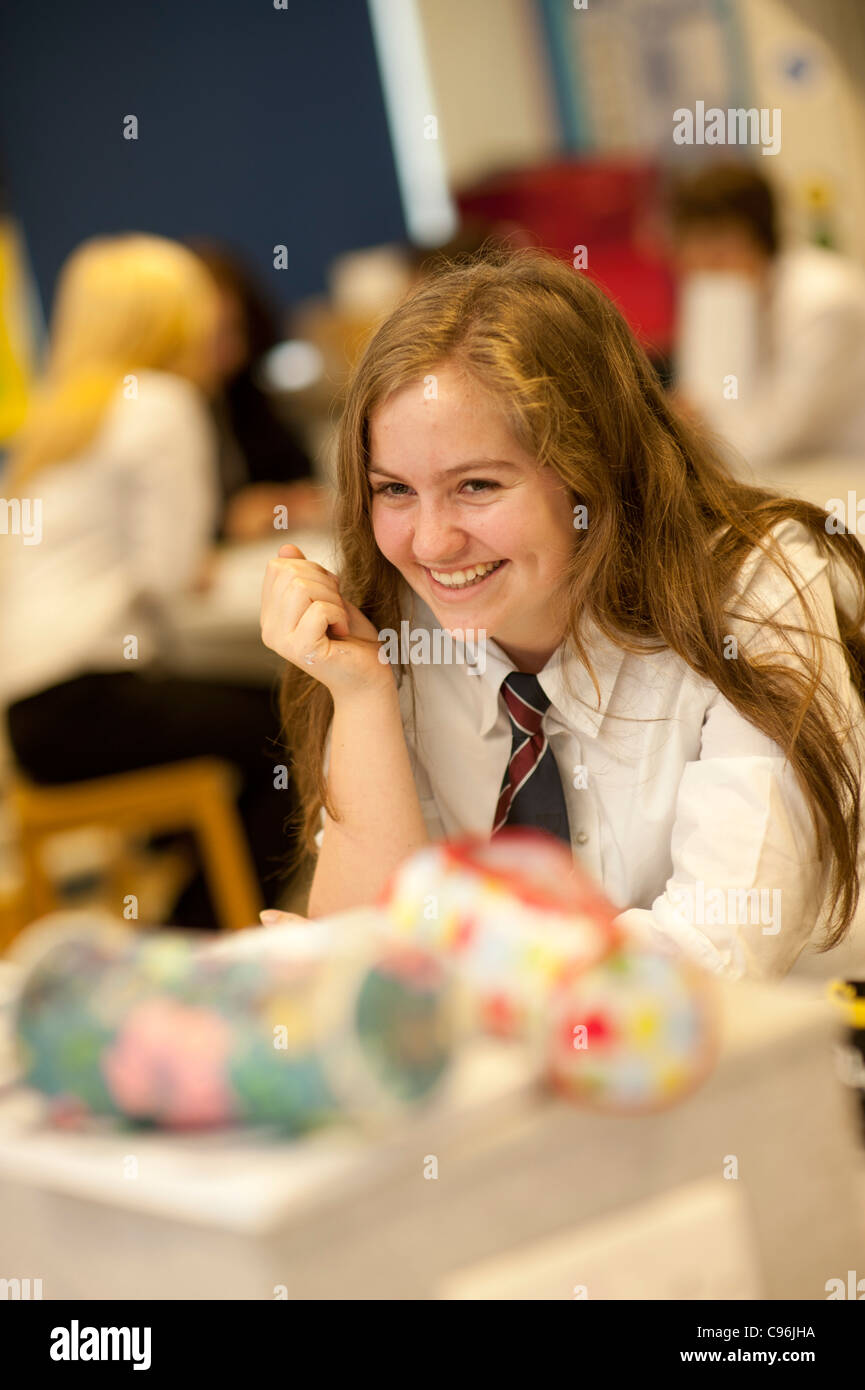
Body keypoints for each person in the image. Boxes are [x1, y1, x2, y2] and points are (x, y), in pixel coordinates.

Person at [258, 247, 865, 984]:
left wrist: (438, 970)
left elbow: (713, 955)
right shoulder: (392, 623)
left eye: (476, 485)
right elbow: (360, 972)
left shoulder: (749, 585)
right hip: (527, 1079)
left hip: (780, 1066)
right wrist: (360, 697)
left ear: (592, 472)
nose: (430, 541)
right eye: (393, 490)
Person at [1, 234, 296, 924]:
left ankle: (192, 921)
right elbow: (170, 578)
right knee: (293, 733)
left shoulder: (59, 420)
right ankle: (200, 942)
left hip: (35, 718)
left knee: (236, 736)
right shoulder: (160, 402)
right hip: (94, 698)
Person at [669, 163, 865, 473]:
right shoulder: (721, 295)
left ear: (760, 237)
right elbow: (695, 407)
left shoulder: (826, 301)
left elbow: (773, 441)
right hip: (779, 480)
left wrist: (697, 430)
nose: (698, 260)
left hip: (843, 477)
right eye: (689, 243)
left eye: (715, 242)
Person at [188, 239, 331, 541]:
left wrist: (286, 500)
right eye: (211, 334)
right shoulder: (160, 410)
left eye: (235, 329)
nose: (230, 350)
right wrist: (225, 522)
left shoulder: (243, 391)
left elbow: (298, 471)